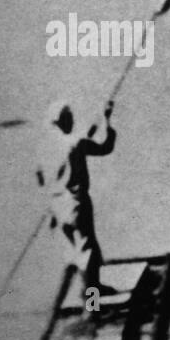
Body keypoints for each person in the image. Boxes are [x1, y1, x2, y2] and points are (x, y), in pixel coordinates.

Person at [37, 99, 118, 297]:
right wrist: (107, 121)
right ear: (63, 120)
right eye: (70, 117)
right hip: (76, 203)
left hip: (57, 205)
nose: (73, 120)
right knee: (89, 252)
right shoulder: (76, 142)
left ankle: (93, 294)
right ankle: (93, 303)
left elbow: (40, 178)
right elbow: (106, 147)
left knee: (79, 251)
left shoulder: (44, 148)